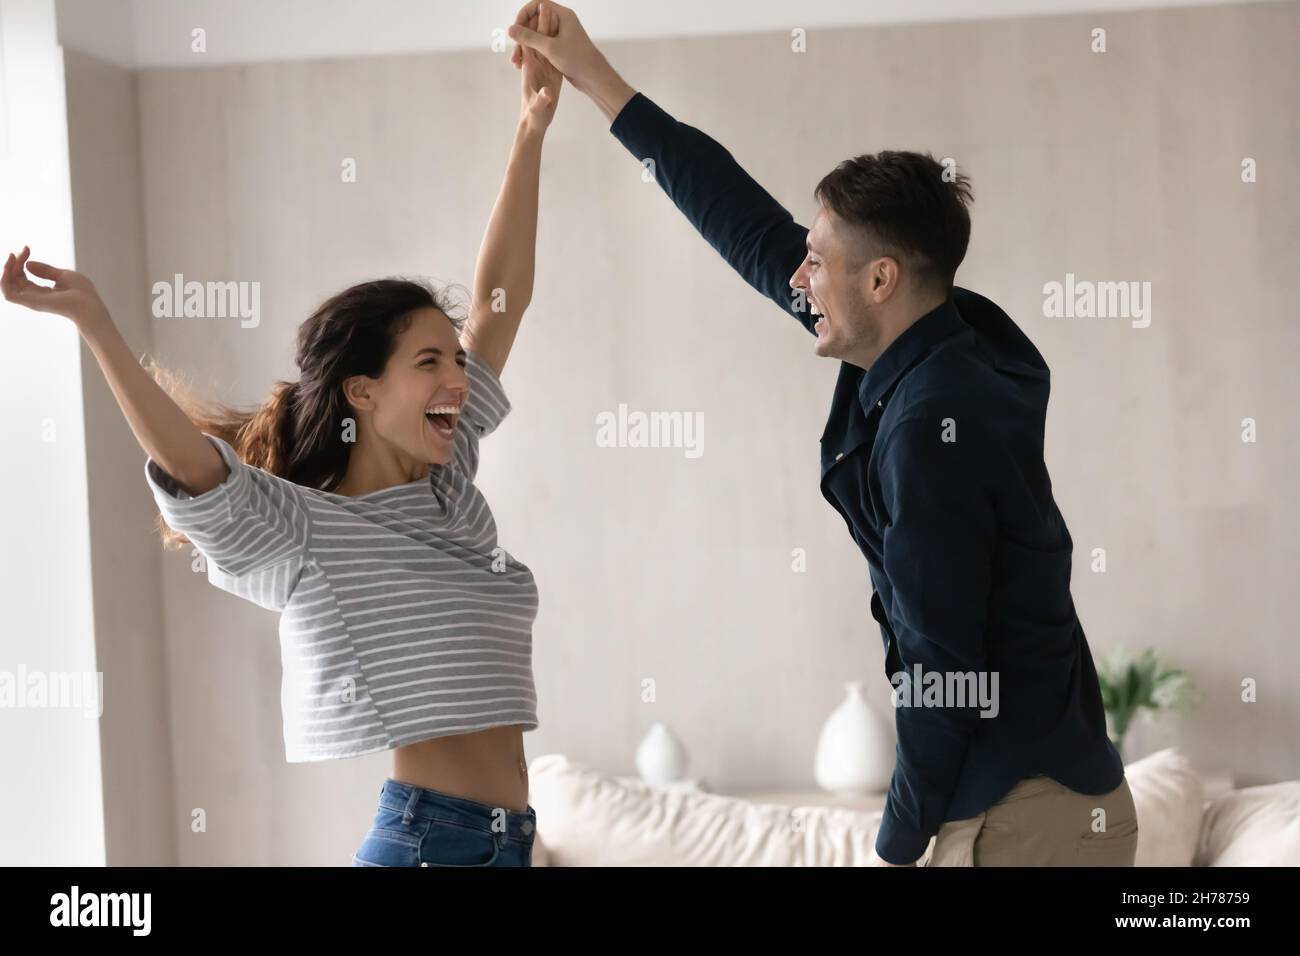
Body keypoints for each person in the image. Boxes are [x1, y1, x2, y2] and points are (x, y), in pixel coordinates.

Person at [508, 1, 1138, 867]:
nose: (797, 276)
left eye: (817, 260)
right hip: (1042, 797)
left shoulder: (929, 433)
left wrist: (897, 841)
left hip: (1020, 816)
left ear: (881, 279)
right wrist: (592, 75)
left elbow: (939, 664)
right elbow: (747, 224)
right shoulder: (945, 337)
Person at [2, 9, 565, 868]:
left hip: (508, 843)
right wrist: (97, 326)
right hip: (430, 845)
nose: (459, 377)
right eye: (430, 362)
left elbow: (500, 301)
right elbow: (193, 465)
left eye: (457, 362)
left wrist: (530, 130)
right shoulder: (306, 526)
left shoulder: (450, 484)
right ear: (363, 391)